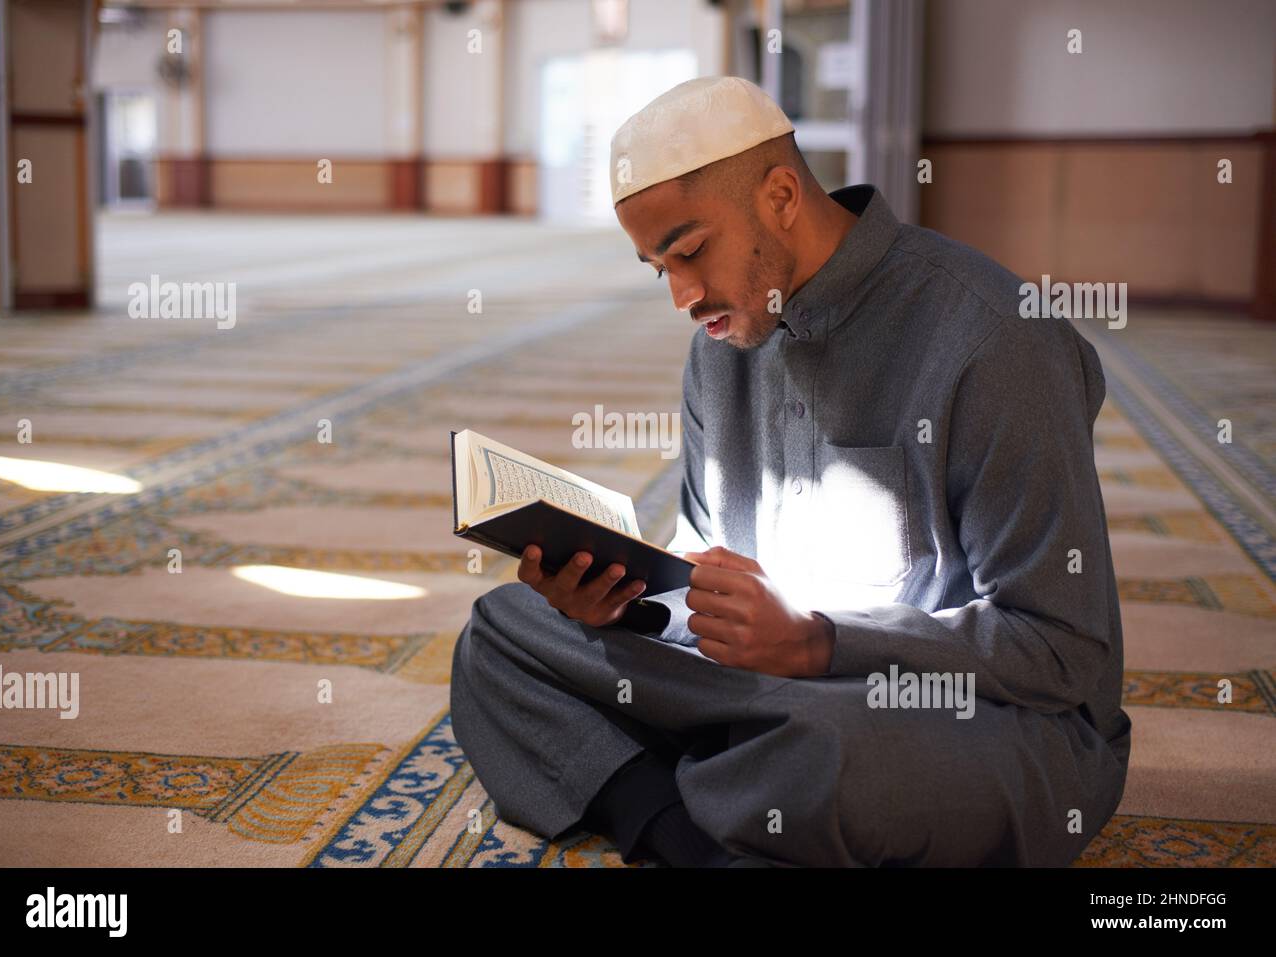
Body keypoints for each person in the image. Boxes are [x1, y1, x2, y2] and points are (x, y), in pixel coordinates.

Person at [449, 75, 1132, 867]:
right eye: (656, 267)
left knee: (824, 756)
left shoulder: (995, 339)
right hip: (769, 684)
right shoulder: (721, 346)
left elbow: (1058, 651)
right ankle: (694, 829)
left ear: (779, 196)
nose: (681, 295)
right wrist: (622, 604)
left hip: (963, 713)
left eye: (691, 251)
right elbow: (705, 569)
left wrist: (818, 645)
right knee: (501, 636)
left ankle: (698, 780)